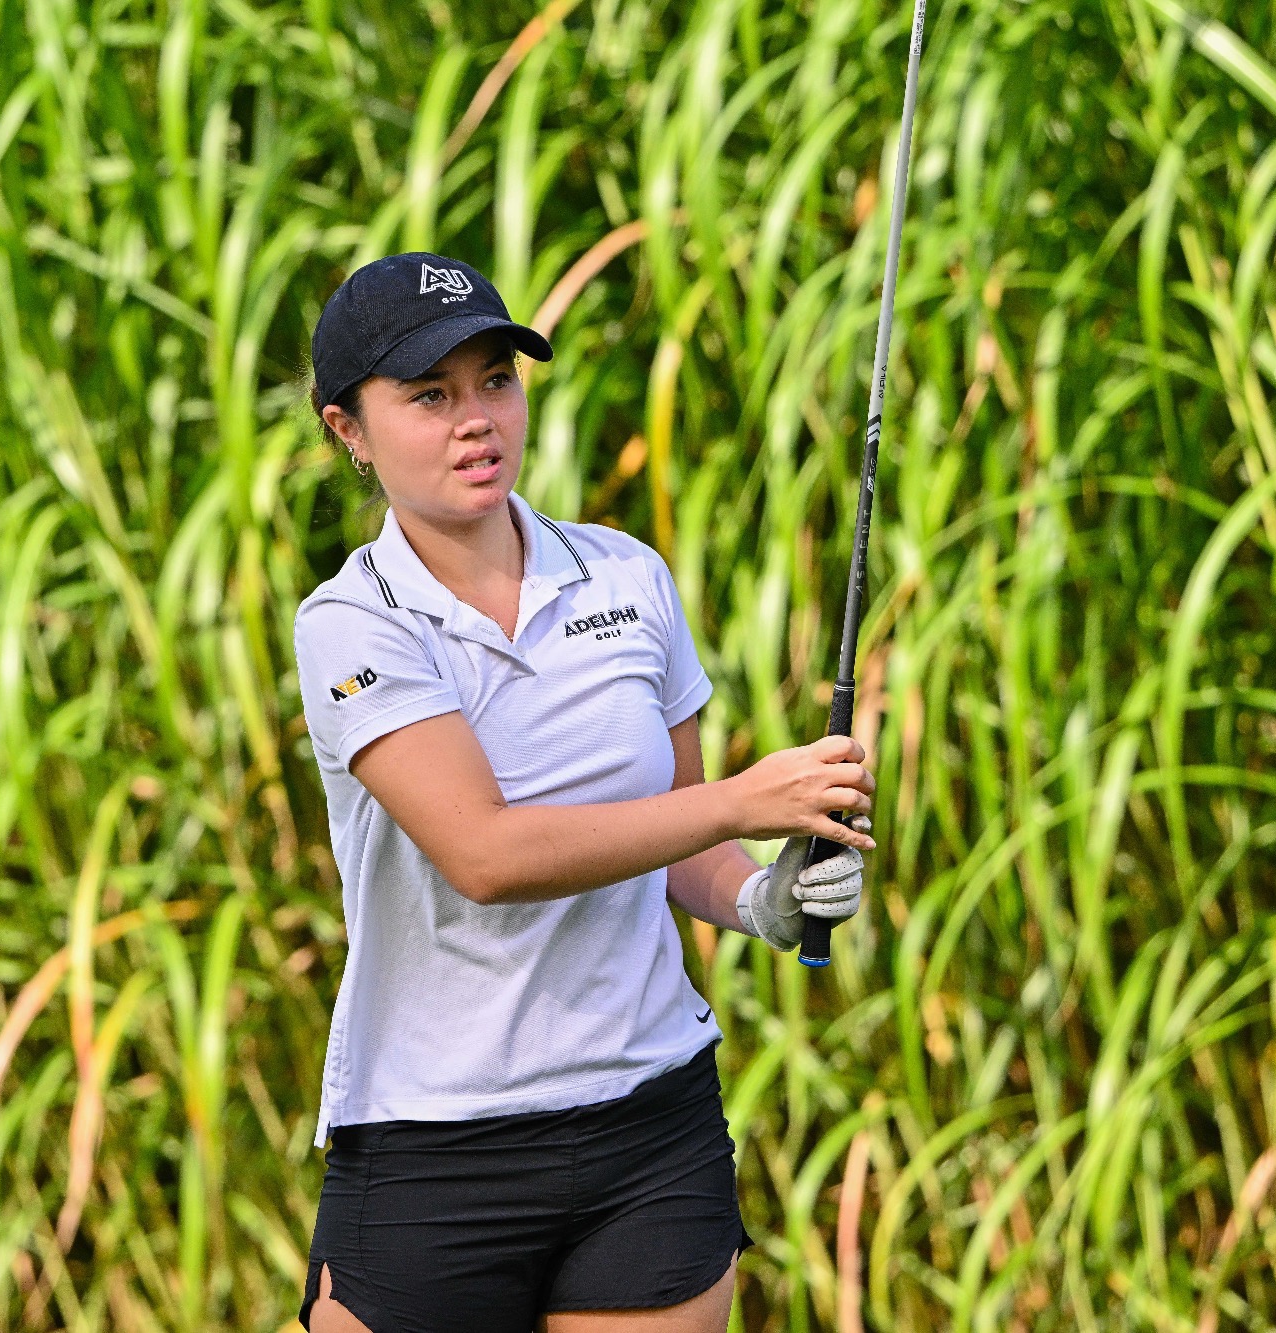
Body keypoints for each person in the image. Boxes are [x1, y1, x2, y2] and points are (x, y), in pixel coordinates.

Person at [290, 252, 874, 1333]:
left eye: (494, 382)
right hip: (433, 1139)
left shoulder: (624, 577)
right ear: (348, 431)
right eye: (428, 395)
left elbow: (678, 843)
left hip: (645, 1128)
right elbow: (487, 855)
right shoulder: (352, 624)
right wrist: (747, 800)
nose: (475, 420)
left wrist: (758, 899)